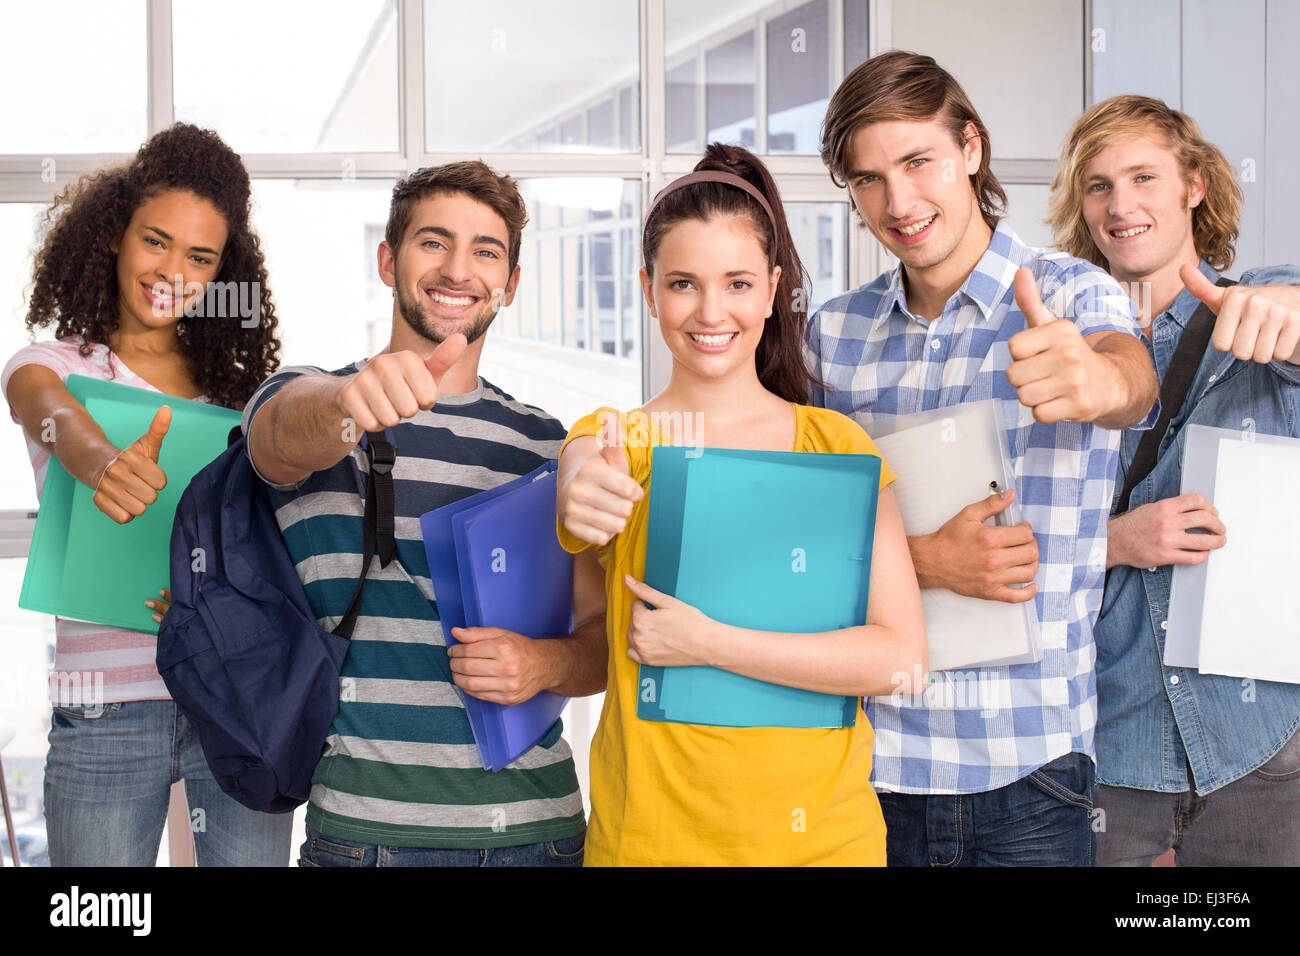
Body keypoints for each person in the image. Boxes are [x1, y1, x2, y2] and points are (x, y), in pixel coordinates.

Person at [809, 51, 1161, 866]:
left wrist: (1099, 376)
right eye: (867, 179)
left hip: (1030, 771)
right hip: (867, 769)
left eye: (918, 162)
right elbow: (801, 540)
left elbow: (1129, 380)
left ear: (971, 147)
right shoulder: (829, 336)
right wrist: (924, 560)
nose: (898, 202)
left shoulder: (1074, 296)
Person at [555, 143, 927, 866]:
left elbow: (899, 658)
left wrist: (707, 643)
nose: (711, 310)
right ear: (648, 288)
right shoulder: (613, 444)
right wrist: (577, 489)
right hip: (648, 846)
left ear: (772, 290)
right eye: (684, 284)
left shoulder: (838, 447)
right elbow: (578, 486)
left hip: (824, 844)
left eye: (737, 283)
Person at [242, 160, 606, 867]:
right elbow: (279, 437)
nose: (458, 269)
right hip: (364, 838)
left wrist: (544, 661)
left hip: (537, 834)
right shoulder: (309, 398)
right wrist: (350, 402)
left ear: (511, 283)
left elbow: (597, 645)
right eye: (433, 242)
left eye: (486, 251)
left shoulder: (548, 445)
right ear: (388, 261)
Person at [2, 123, 291, 866]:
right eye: (154, 240)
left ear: (226, 270)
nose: (173, 270)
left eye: (201, 256)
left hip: (233, 699)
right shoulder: (56, 365)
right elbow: (43, 409)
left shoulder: (243, 399)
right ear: (113, 234)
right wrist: (101, 463)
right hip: (105, 708)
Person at [1049, 94, 1300, 866]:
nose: (1121, 206)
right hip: (1110, 751)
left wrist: (1289, 309)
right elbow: (1005, 549)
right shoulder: (1057, 350)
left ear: (1193, 185)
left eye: (1144, 177)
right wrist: (1114, 541)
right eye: (1098, 186)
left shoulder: (1259, 300)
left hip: (1262, 745)